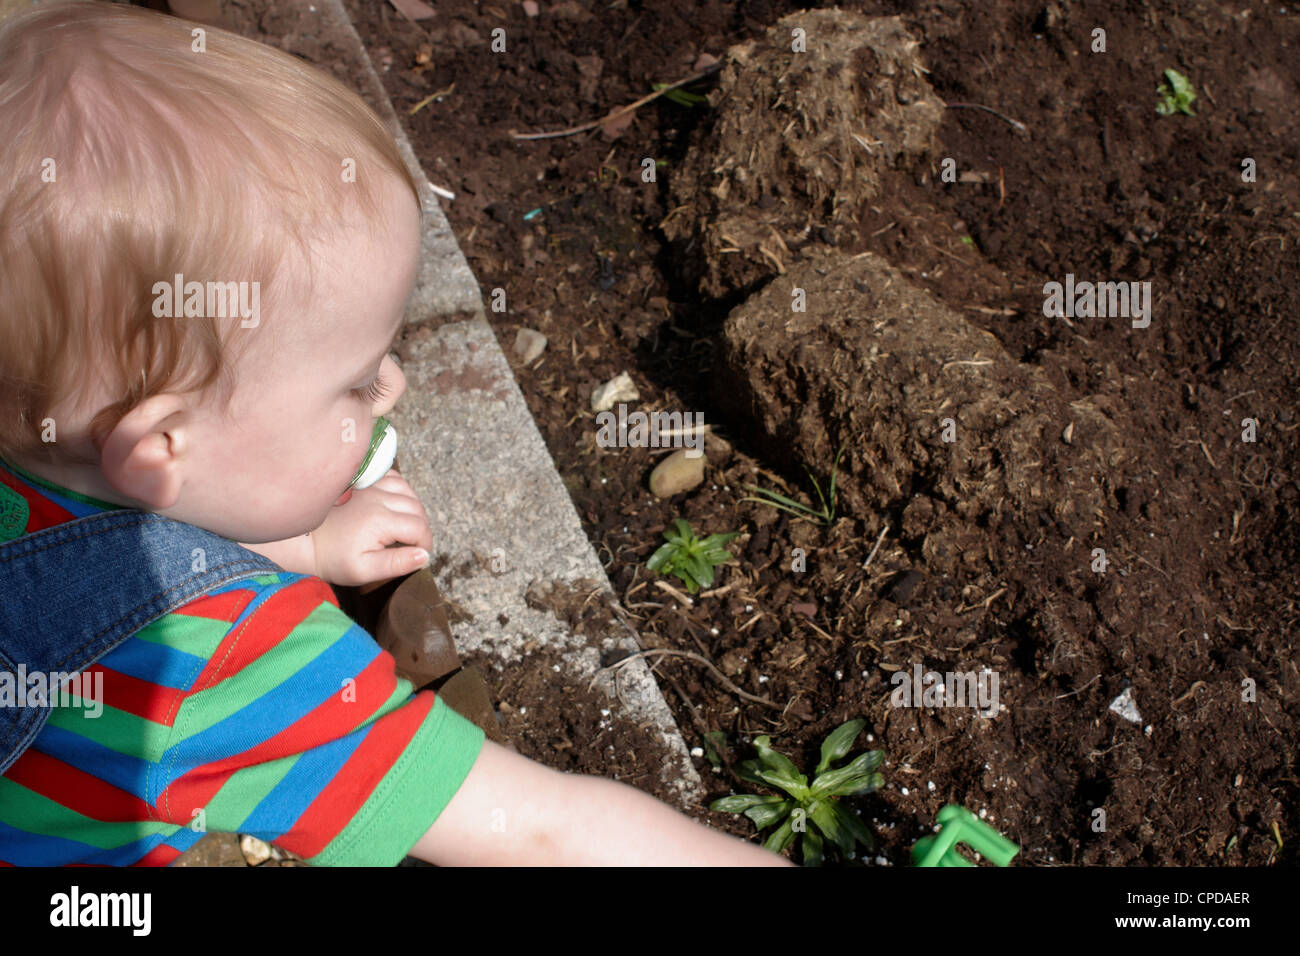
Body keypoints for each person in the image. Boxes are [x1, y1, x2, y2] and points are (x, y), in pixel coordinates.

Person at [0, 1, 791, 867]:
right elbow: (540, 832)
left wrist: (303, 544)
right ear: (160, 451)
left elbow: (98, 553)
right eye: (354, 381)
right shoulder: (236, 667)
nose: (394, 387)